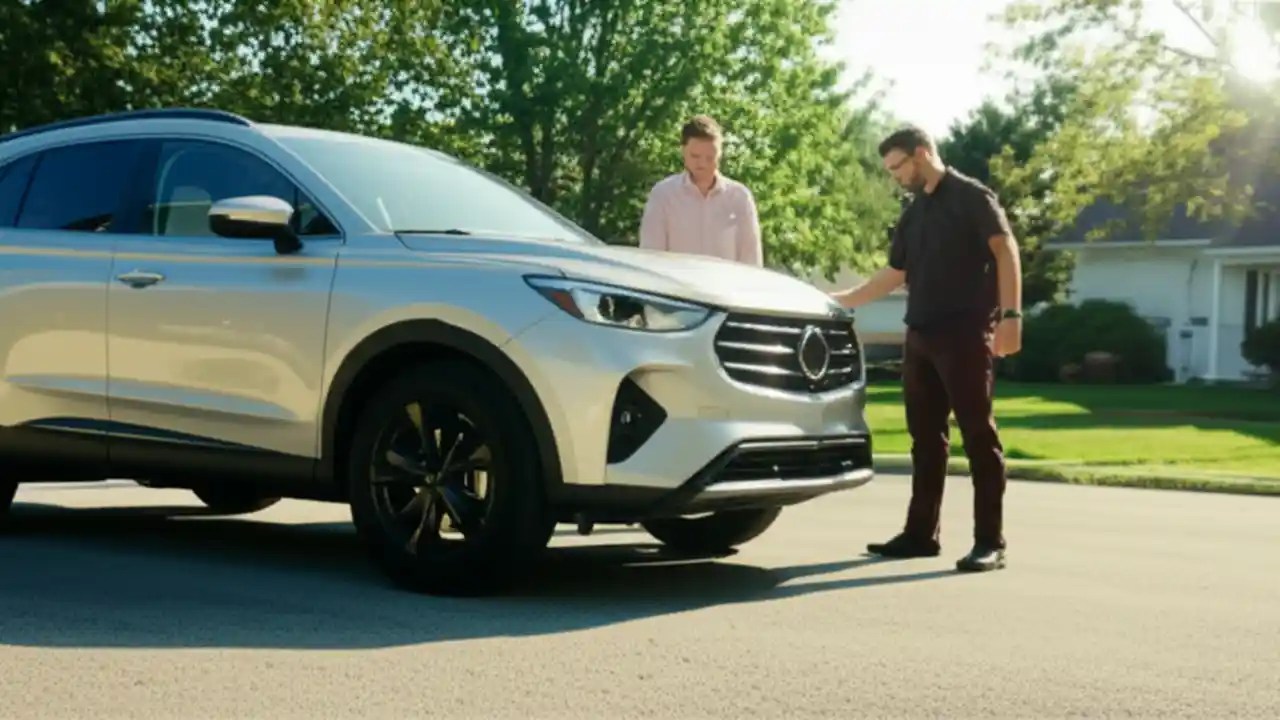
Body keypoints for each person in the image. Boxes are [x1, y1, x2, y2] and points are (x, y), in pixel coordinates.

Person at [832, 126, 1023, 573]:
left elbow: (1005, 249)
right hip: (920, 335)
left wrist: (1012, 317)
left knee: (978, 435)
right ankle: (921, 534)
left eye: (897, 167)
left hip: (966, 334)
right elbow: (894, 274)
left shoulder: (972, 197)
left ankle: (989, 541)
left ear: (920, 154)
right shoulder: (914, 213)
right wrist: (840, 300)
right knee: (925, 439)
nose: (895, 177)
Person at [639, 115, 763, 266]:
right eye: (695, 156)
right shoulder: (663, 195)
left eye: (710, 157)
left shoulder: (740, 198)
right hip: (675, 280)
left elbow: (751, 261)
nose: (702, 163)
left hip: (724, 281)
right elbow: (651, 257)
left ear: (720, 154)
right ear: (683, 151)